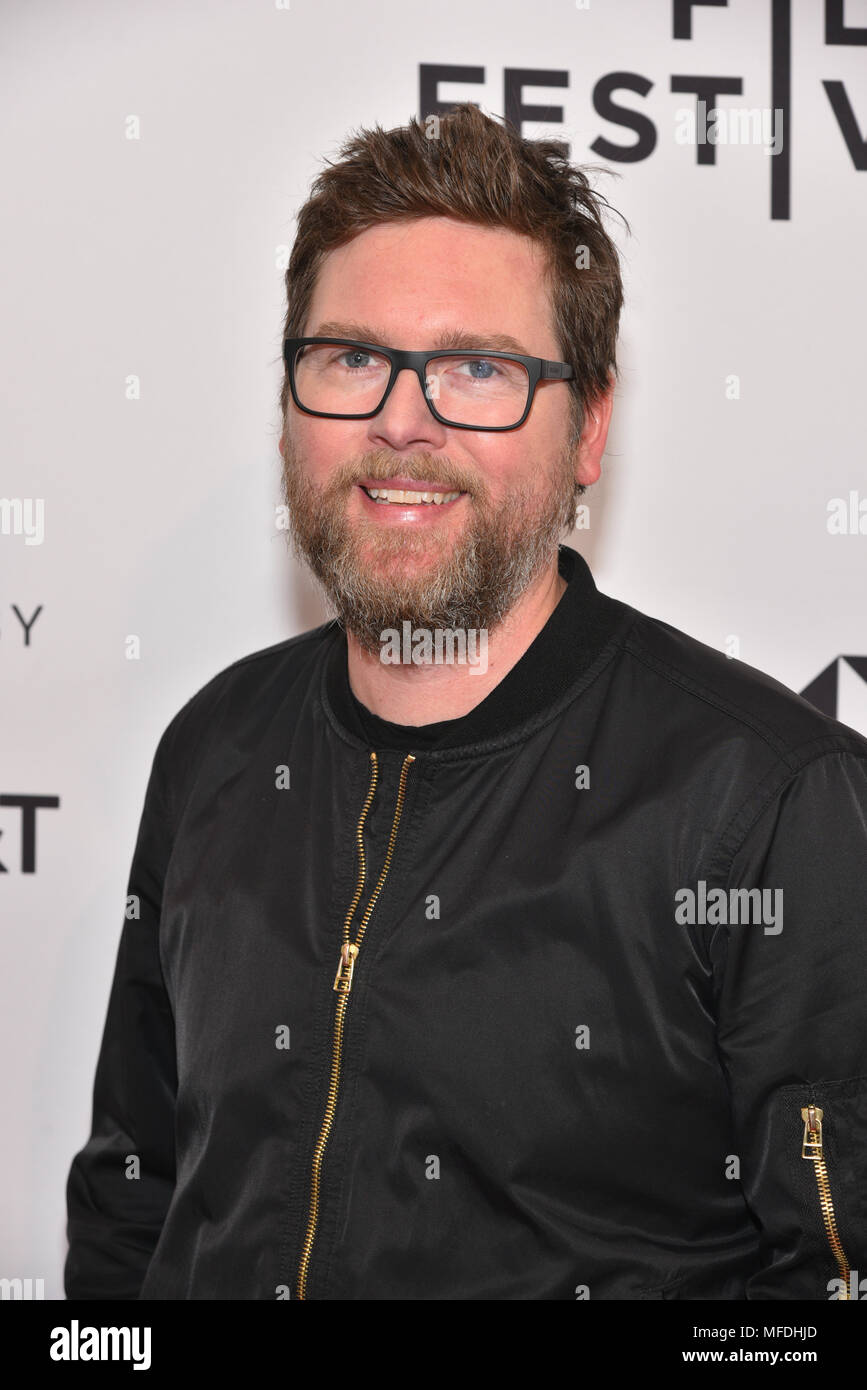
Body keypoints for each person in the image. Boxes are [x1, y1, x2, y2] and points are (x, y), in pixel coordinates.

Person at [65, 103, 867, 1301]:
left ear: (587, 427)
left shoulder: (766, 800)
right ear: (290, 398)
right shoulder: (216, 746)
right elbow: (131, 1206)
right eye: (351, 358)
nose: (401, 420)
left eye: (477, 370)